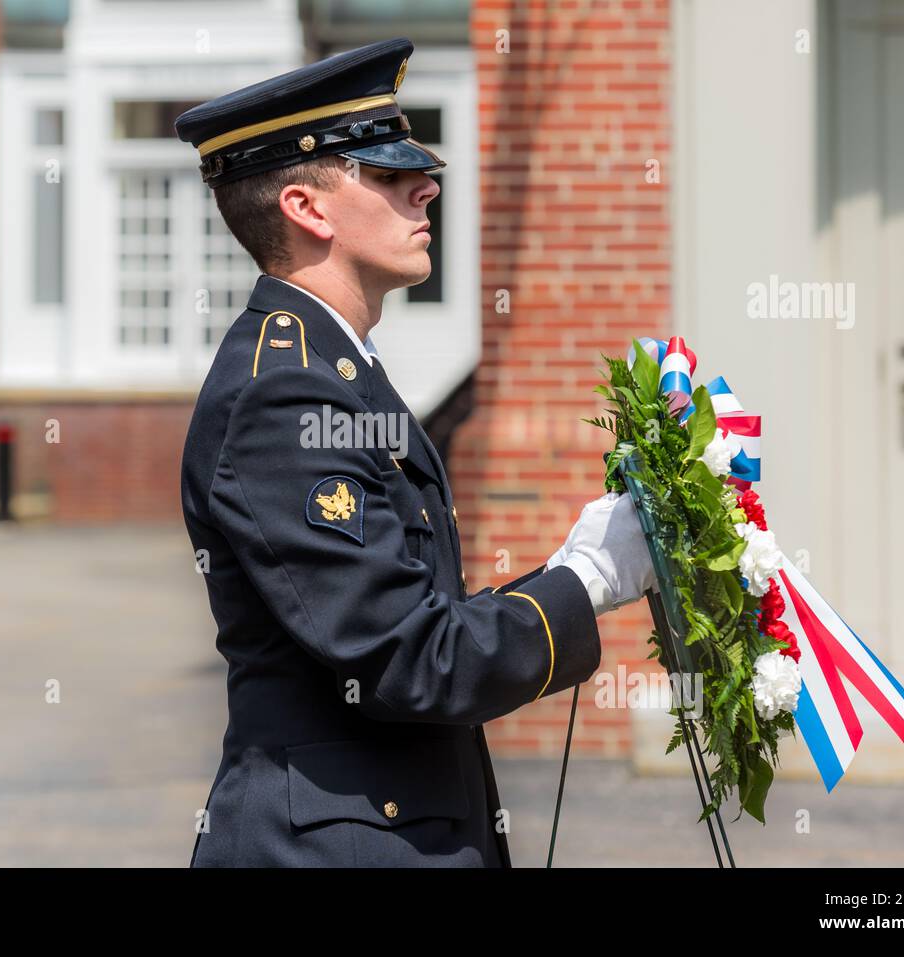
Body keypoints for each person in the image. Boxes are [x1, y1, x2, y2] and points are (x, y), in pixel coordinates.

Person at [175, 37, 655, 867]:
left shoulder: (330, 365)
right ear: (309, 208)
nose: (425, 186)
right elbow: (408, 658)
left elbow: (409, 614)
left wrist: (564, 574)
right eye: (388, 175)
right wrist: (587, 582)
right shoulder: (285, 393)